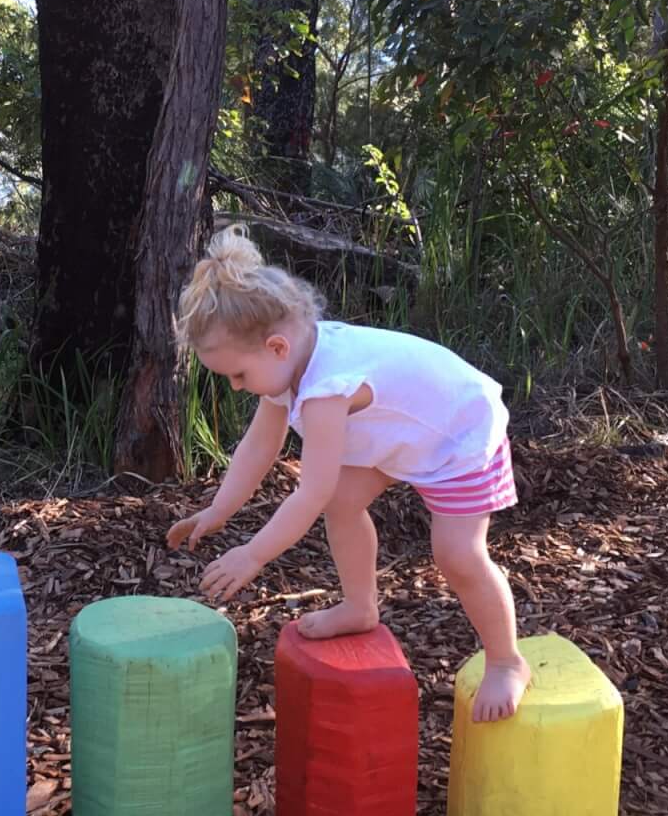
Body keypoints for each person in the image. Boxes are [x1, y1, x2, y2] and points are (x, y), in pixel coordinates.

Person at [165, 226, 530, 722]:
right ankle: (361, 608)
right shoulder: (291, 360)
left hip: (456, 434)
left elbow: (310, 490)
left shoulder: (325, 387)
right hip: (401, 433)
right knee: (343, 501)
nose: (235, 388)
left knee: (457, 555)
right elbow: (259, 446)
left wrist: (253, 555)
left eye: (238, 376)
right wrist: (218, 510)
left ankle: (507, 660)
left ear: (275, 347)